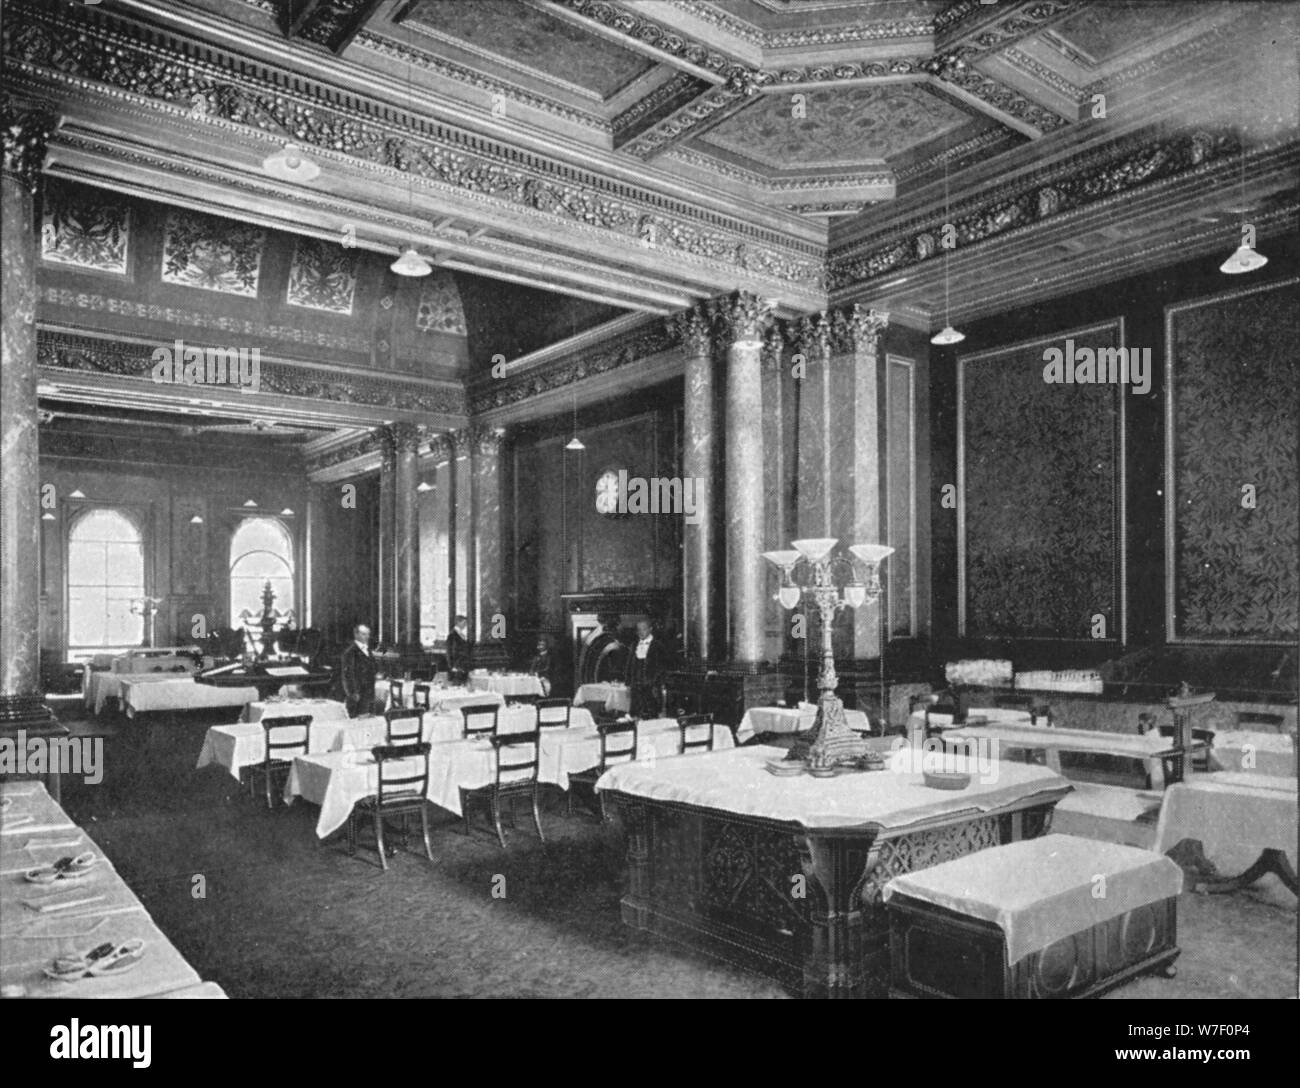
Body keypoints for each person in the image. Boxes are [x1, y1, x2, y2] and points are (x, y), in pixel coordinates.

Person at [626, 619, 671, 719]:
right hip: (636, 688)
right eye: (639, 630)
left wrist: (654, 682)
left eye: (644, 629)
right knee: (636, 714)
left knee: (651, 714)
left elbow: (664, 667)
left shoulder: (658, 646)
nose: (641, 632)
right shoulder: (634, 645)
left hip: (651, 689)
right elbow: (629, 666)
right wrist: (628, 684)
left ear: (650, 629)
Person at [340, 623, 377, 718]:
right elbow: (347, 675)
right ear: (356, 635)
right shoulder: (350, 652)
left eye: (368, 634)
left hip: (368, 692)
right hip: (357, 695)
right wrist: (352, 693)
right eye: (364, 634)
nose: (367, 637)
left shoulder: (368, 650)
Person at [445, 615, 471, 684]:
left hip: (463, 667)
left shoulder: (461, 634)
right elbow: (449, 652)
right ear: (458, 622)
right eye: (464, 622)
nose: (465, 625)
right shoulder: (452, 635)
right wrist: (452, 666)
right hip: (456, 668)